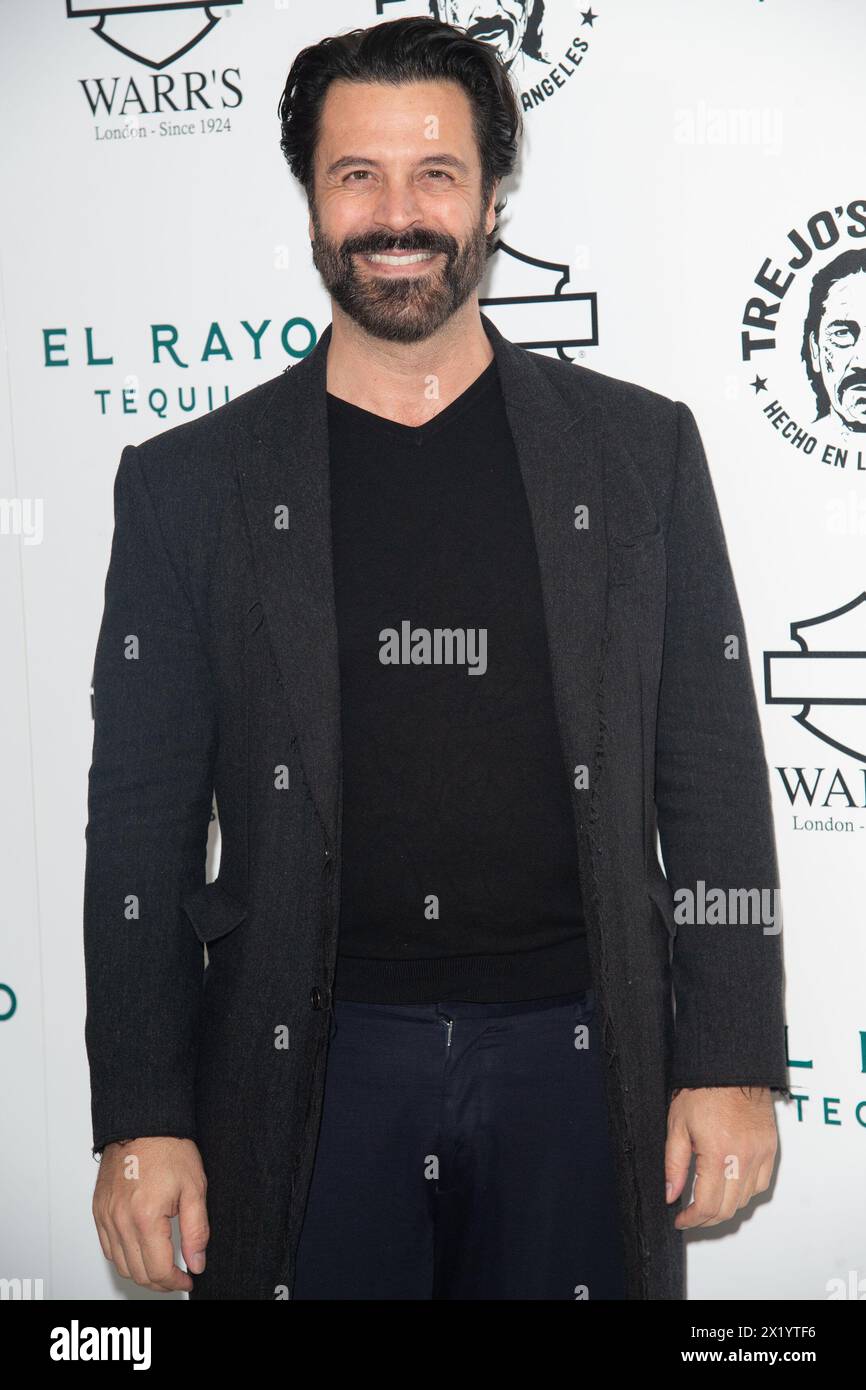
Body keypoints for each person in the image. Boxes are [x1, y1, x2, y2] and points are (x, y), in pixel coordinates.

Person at [85, 15, 789, 1301]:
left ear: (491, 196)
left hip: (583, 1059)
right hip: (306, 1062)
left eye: (434, 175)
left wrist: (732, 1054)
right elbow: (137, 822)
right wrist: (141, 1111)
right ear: (309, 196)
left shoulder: (638, 456)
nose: (394, 214)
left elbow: (709, 775)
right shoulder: (189, 488)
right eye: (357, 175)